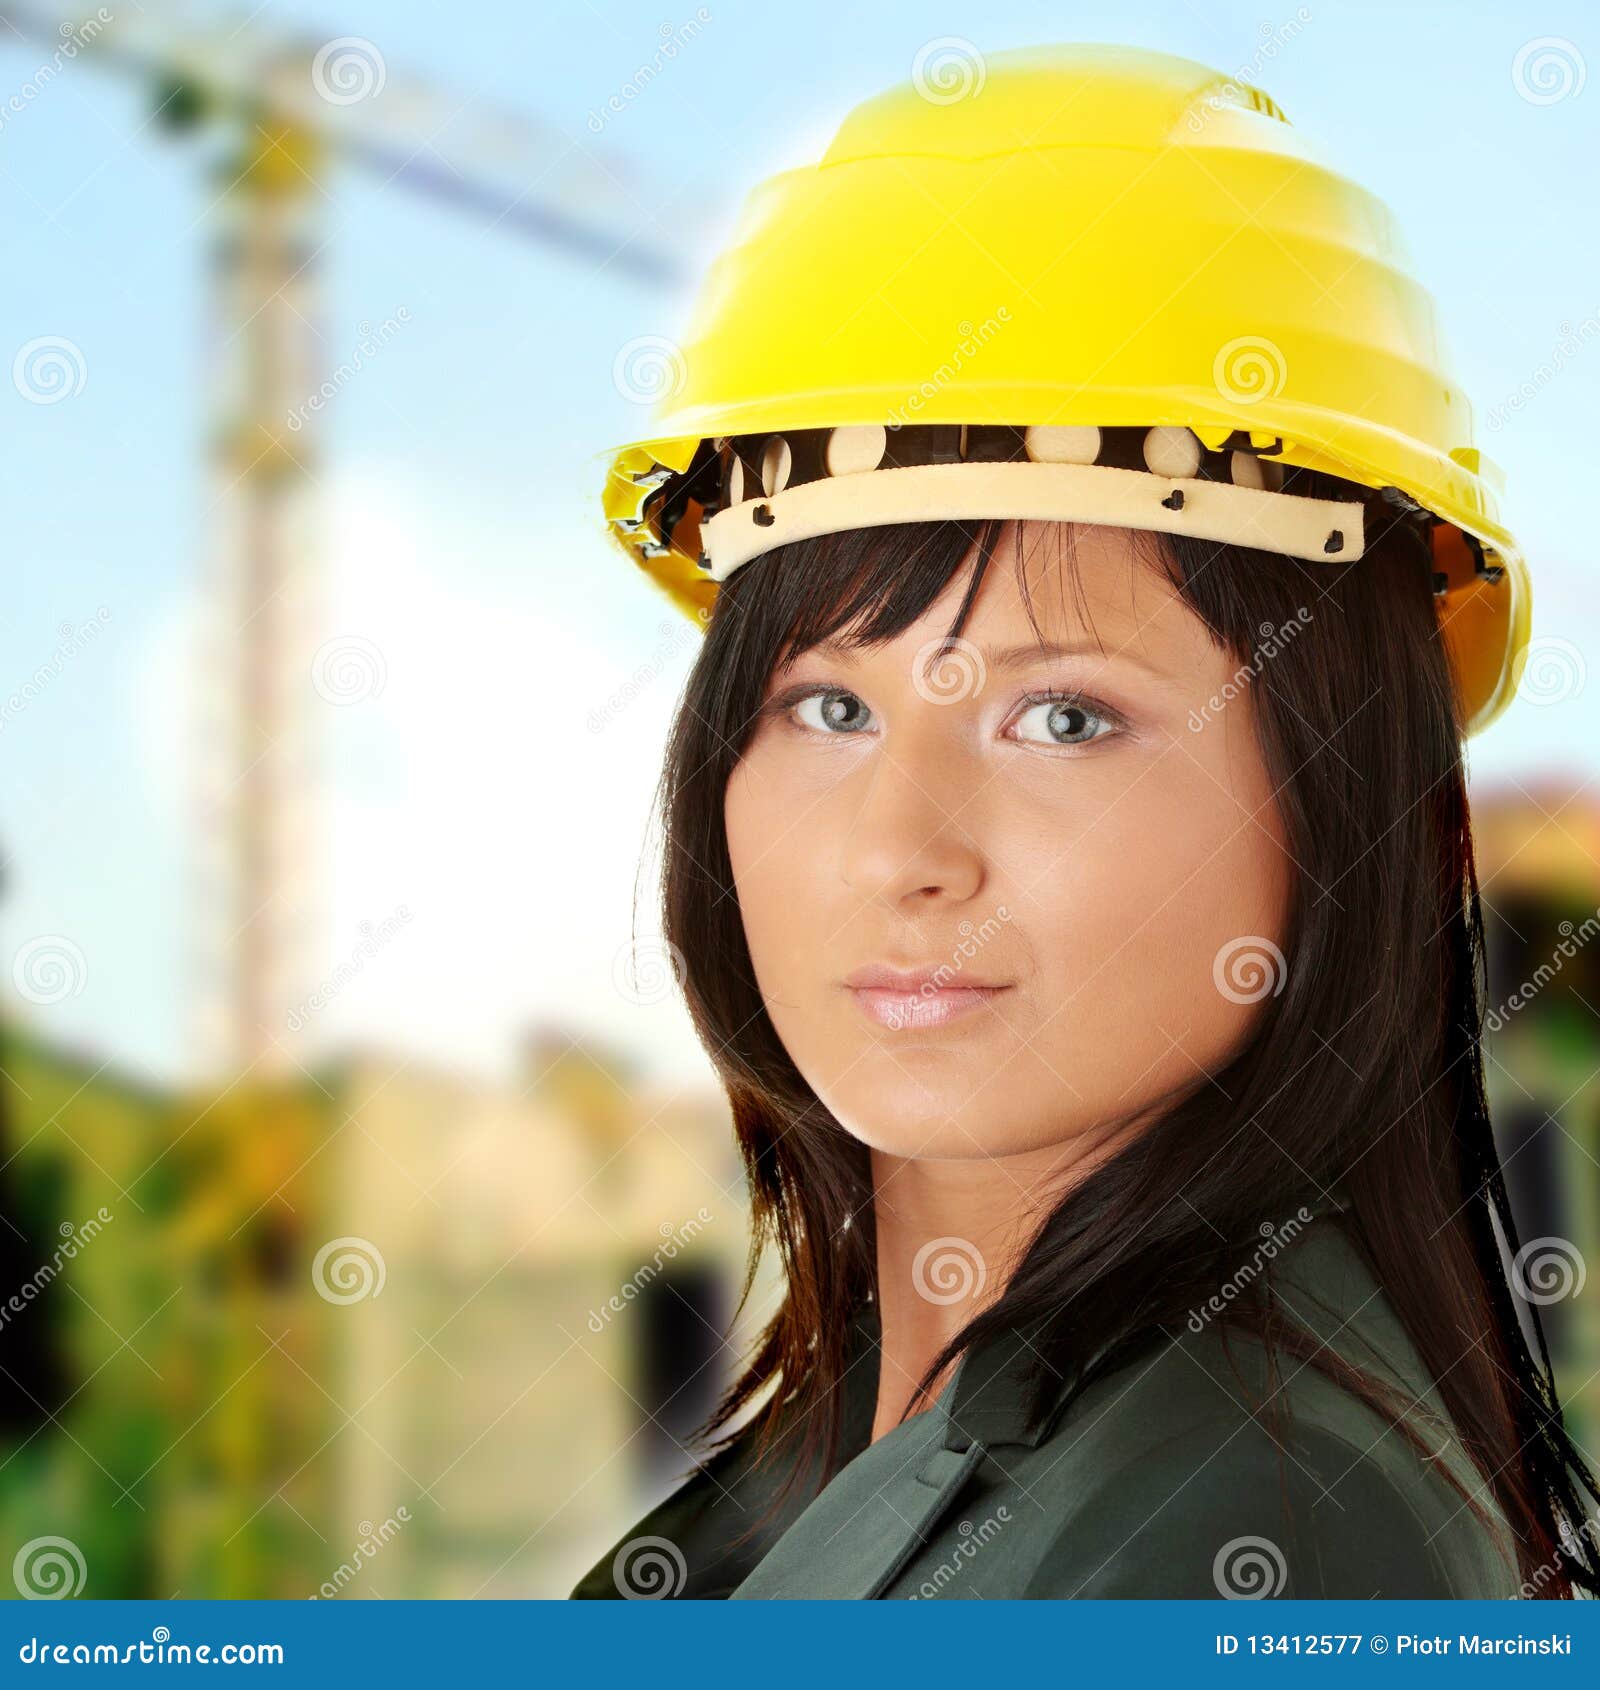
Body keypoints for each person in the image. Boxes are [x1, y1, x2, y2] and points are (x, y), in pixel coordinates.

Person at [571, 42, 1599, 1599]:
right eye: (830, 706)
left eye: (1063, 717)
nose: (896, 847)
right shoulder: (853, 1439)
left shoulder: (1260, 1525)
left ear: (1342, 798)